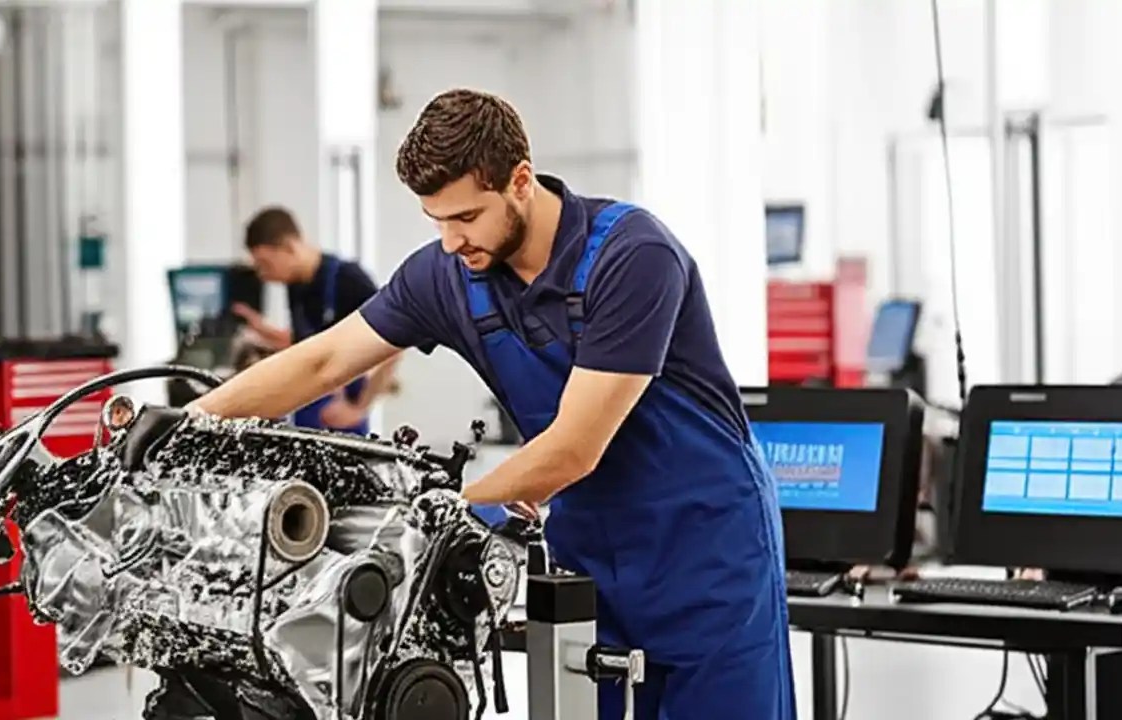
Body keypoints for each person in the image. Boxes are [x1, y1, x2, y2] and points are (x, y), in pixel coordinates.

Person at [189, 88, 796, 720]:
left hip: (708, 550)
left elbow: (573, 447)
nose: (451, 240)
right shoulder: (447, 276)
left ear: (521, 182)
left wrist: (433, 515)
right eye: (437, 221)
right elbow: (321, 360)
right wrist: (188, 423)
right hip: (590, 554)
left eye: (467, 217)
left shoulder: (633, 257)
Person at [230, 206, 397, 434]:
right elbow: (305, 345)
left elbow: (394, 346)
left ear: (289, 247)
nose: (263, 274)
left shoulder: (348, 279)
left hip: (342, 420)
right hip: (308, 410)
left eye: (265, 264)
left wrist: (360, 407)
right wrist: (260, 329)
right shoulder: (296, 285)